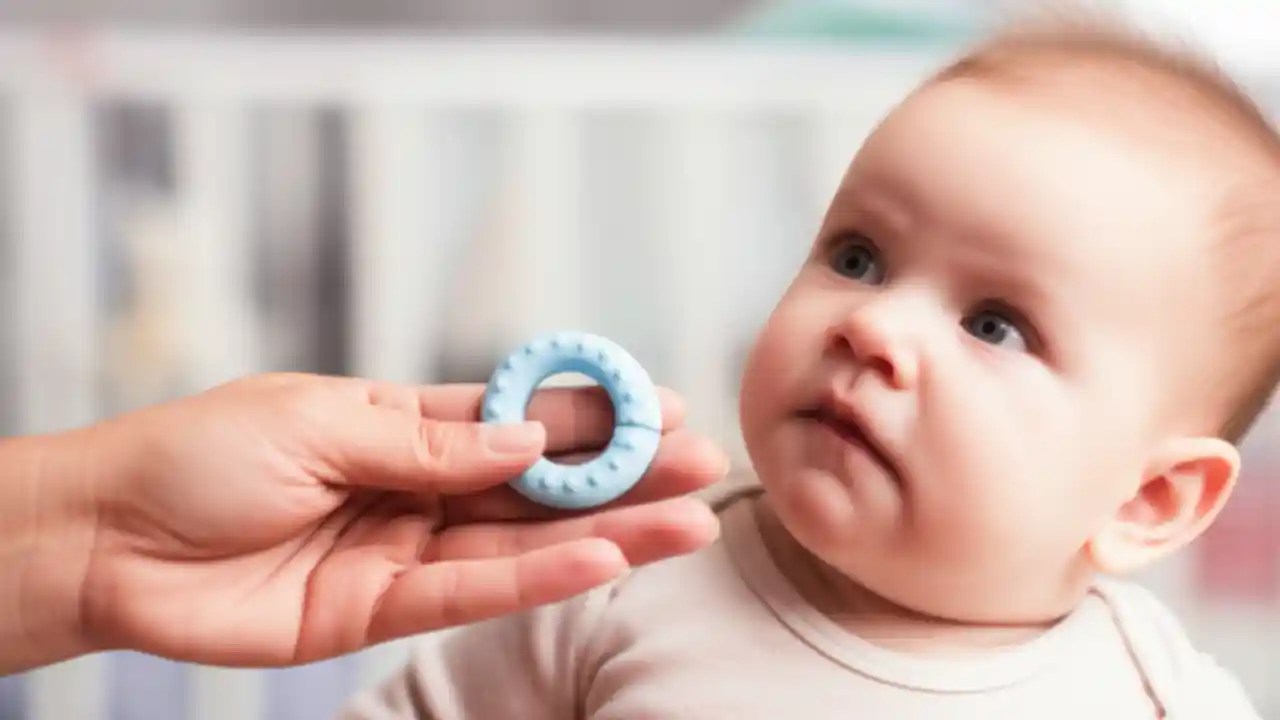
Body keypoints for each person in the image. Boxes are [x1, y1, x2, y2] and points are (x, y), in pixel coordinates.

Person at [339, 12, 1279, 720]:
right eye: (858, 257)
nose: (874, 327)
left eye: (994, 326)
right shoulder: (630, 572)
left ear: (1146, 500)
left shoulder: (1158, 698)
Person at [0, 371, 729, 676]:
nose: (851, 325)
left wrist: (94, 534)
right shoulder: (601, 618)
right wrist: (91, 522)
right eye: (845, 256)